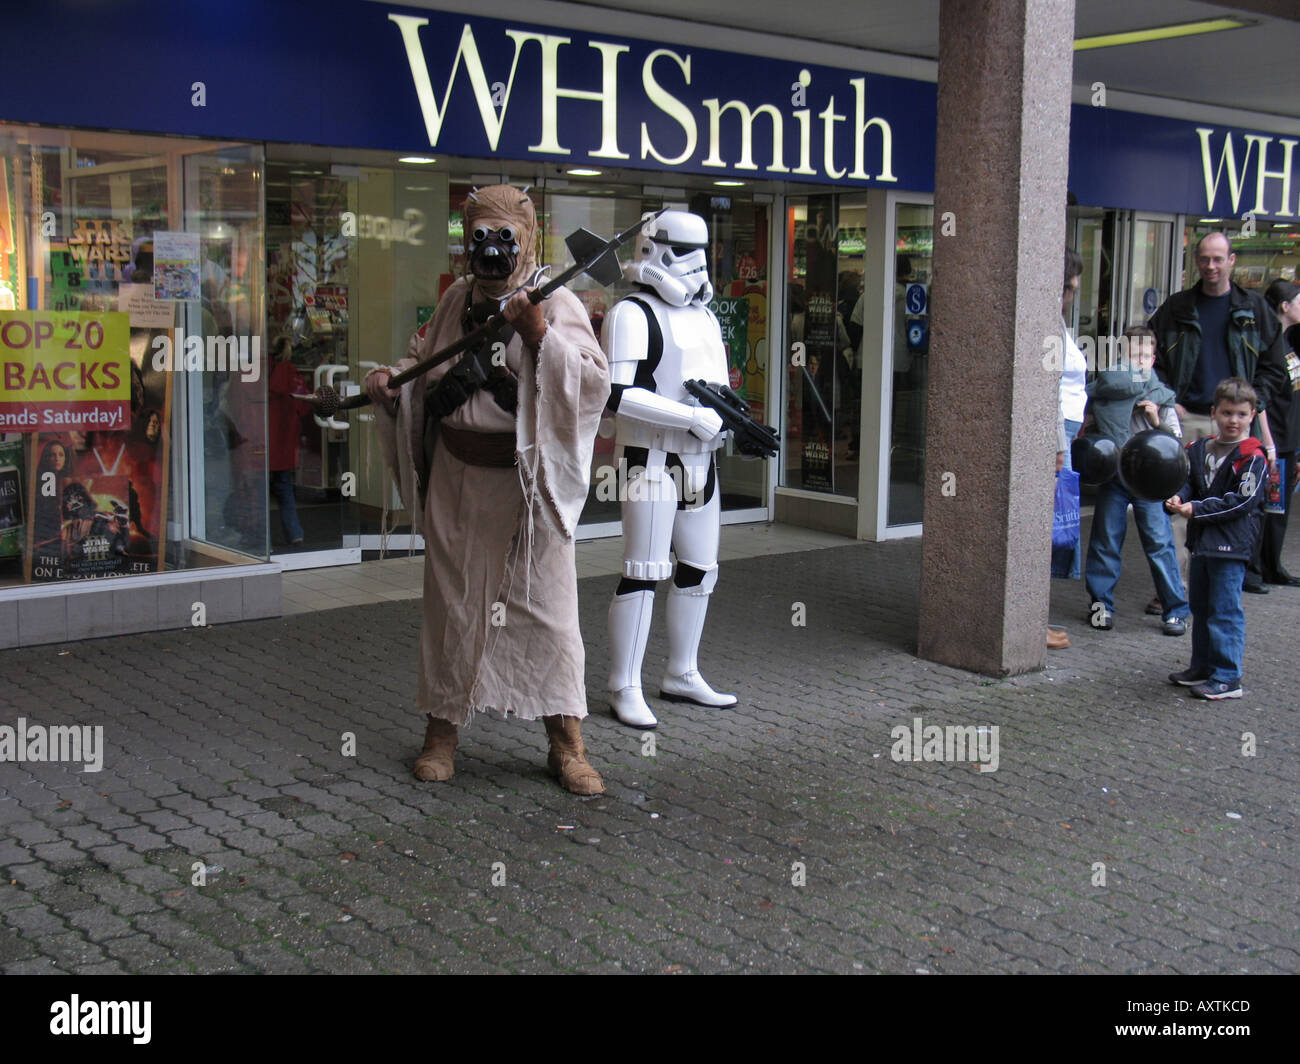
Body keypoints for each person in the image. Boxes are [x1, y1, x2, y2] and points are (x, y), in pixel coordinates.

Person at [365, 185, 609, 795]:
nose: (492, 251)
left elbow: (591, 382)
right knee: (453, 609)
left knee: (548, 615)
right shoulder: (455, 301)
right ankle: (441, 734)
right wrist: (391, 382)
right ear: (466, 240)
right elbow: (423, 359)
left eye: (505, 238)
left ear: (526, 240)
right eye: (481, 238)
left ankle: (566, 742)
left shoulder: (558, 301)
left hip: (528, 489)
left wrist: (536, 336)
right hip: (457, 482)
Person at [603, 210, 738, 730]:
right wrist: (690, 417)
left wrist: (725, 420)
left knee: (700, 570)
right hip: (650, 459)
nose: (696, 265)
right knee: (644, 572)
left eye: (702, 252)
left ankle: (682, 671)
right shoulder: (630, 314)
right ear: (652, 249)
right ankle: (624, 683)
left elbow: (715, 386)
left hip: (701, 461)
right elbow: (616, 394)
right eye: (683, 251)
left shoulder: (703, 316)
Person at [1148, 232, 1287, 594]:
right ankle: (1175, 591)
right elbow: (1151, 359)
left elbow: (1275, 368)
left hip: (1237, 425)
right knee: (1178, 506)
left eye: (1218, 259)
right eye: (1204, 259)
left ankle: (1214, 587)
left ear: (1232, 261)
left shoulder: (1255, 310)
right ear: (1196, 260)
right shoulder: (1177, 308)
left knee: (1230, 506)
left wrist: (1252, 403)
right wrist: (1167, 399)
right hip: (1188, 419)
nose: (1211, 266)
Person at [1165, 378, 1267, 700]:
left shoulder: (1253, 456)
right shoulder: (1198, 449)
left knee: (1225, 610)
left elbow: (1242, 501)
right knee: (1201, 607)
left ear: (1252, 415)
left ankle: (1227, 677)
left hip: (1232, 546)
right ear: (1214, 413)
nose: (1233, 421)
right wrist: (1177, 498)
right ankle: (1202, 667)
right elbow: (1188, 483)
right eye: (1226, 413)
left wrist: (1196, 509)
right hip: (1202, 544)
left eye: (1240, 414)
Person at [1082, 325, 1188, 635]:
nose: (1138, 361)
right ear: (1122, 357)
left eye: (1144, 355)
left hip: (1150, 482)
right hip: (1116, 476)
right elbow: (1092, 431)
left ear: (1153, 358)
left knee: (1159, 543)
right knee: (1105, 540)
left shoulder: (1161, 396)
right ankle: (1101, 606)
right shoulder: (1105, 392)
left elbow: (1176, 445)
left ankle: (1176, 609)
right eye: (1132, 355)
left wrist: (1156, 421)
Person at [1255, 279, 1300, 585]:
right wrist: (1269, 442)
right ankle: (1255, 569)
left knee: (1279, 508)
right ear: (1285, 306)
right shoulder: (1271, 346)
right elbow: (1263, 401)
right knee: (1266, 506)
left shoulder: (1290, 343)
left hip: (1289, 439)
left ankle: (1273, 565)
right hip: (1275, 439)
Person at [267, 337, 305, 546]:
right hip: (283, 442)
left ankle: (261, 539)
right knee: (284, 488)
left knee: (256, 493)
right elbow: (304, 403)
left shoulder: (255, 369)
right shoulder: (290, 372)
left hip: (258, 441)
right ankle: (294, 532)